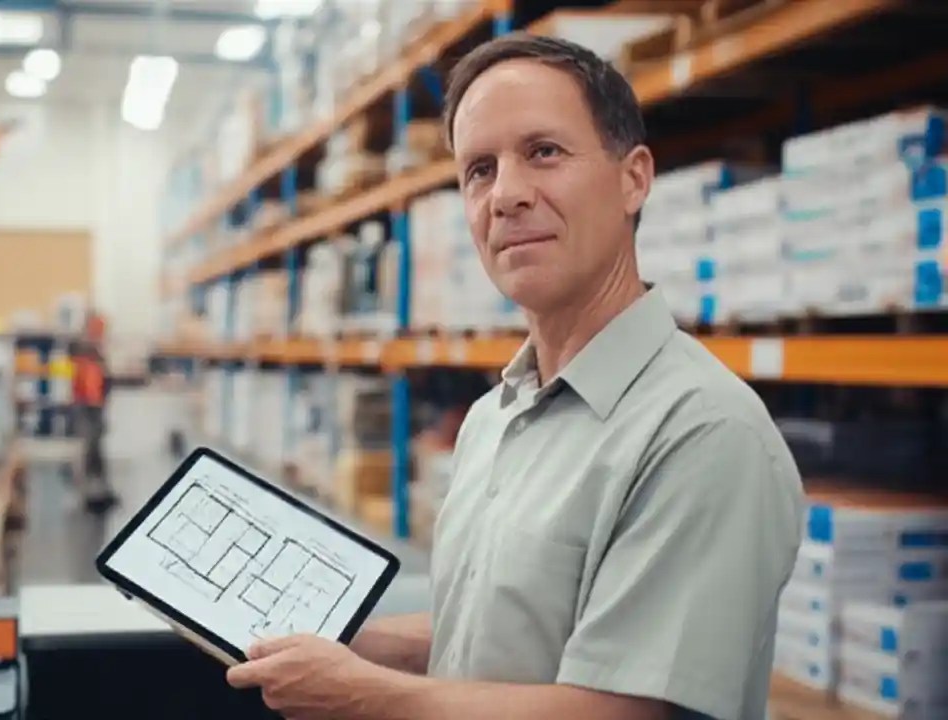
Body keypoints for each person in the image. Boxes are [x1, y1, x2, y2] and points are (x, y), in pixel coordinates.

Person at [227, 34, 805, 720]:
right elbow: (511, 635)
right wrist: (362, 645)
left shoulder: (702, 433)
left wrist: (364, 696)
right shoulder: (493, 419)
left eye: (544, 153)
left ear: (634, 178)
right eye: (478, 169)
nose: (505, 196)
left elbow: (627, 710)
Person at [72, 312, 119, 513]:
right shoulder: (86, 350)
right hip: (87, 405)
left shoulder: (95, 351)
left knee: (96, 449)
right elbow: (88, 382)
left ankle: (99, 491)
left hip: (95, 405)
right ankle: (90, 495)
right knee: (90, 448)